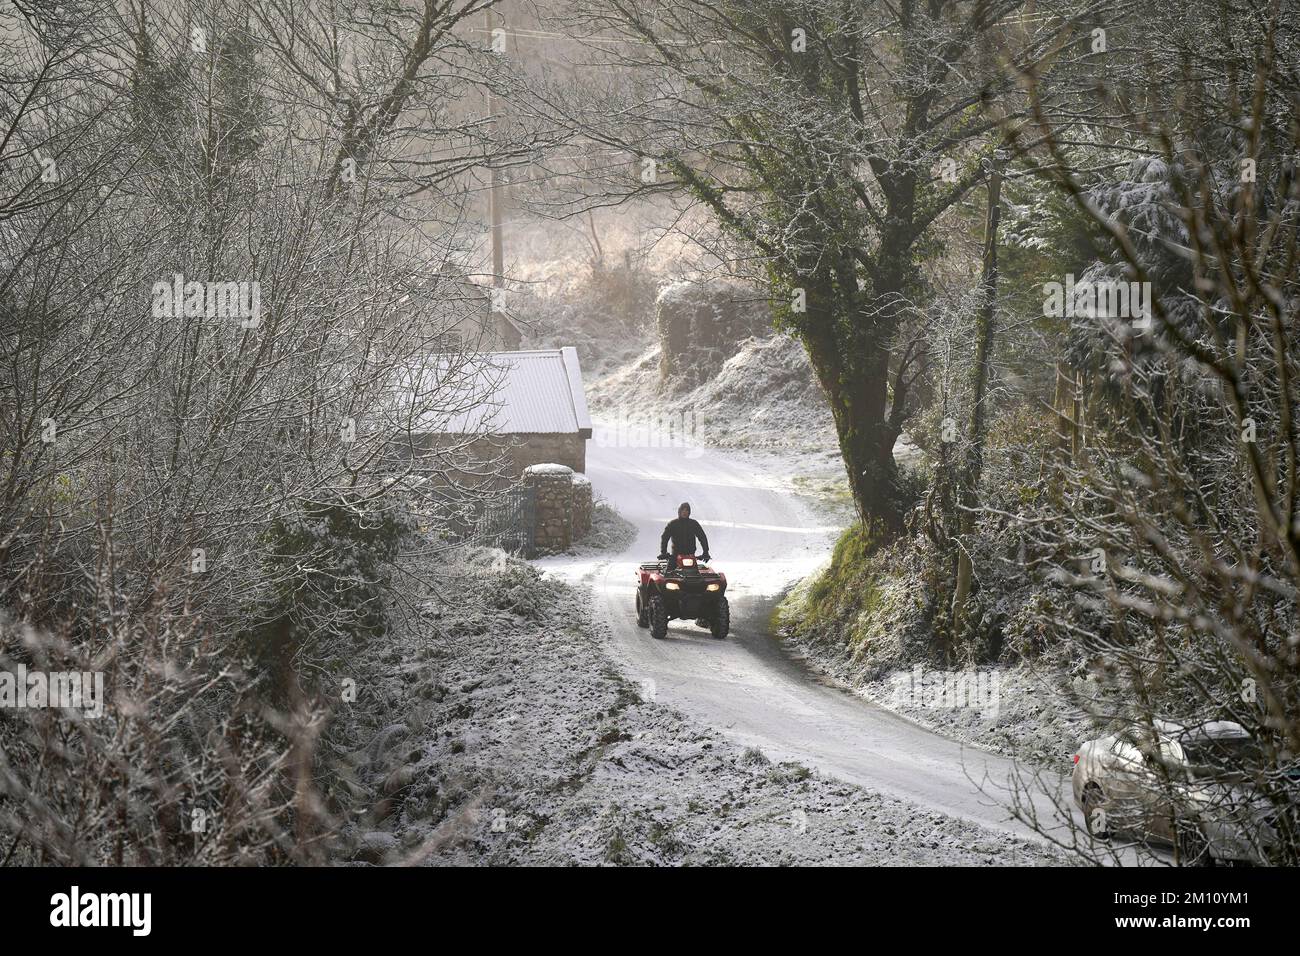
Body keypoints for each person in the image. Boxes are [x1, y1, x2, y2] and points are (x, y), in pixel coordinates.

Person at [659, 502, 710, 568]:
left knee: (696, 575)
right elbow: (665, 538)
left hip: (690, 556)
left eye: (687, 510)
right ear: (679, 511)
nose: (684, 512)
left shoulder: (693, 524)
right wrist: (664, 552)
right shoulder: (673, 524)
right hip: (676, 556)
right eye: (683, 510)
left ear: (689, 512)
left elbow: (702, 537)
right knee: (669, 574)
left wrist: (706, 552)